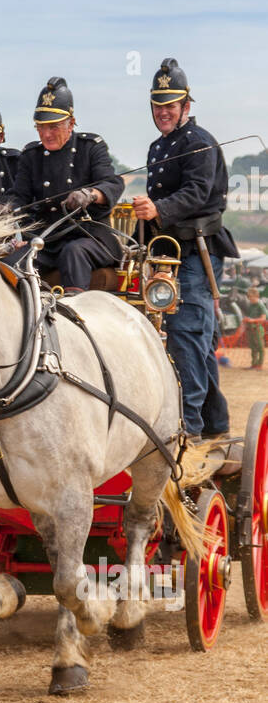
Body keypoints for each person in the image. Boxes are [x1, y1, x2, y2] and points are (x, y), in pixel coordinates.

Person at [131, 58, 238, 441]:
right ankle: (215, 424)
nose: (163, 112)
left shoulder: (200, 143)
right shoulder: (158, 147)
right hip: (168, 252)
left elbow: (196, 193)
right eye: (158, 106)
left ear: (186, 107)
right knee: (198, 340)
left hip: (198, 252)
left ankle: (189, 426)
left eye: (170, 106)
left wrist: (158, 208)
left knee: (188, 333)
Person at [9, 76, 124, 290]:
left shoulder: (90, 147)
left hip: (90, 238)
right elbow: (19, 197)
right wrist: (7, 215)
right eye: (41, 127)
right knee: (12, 262)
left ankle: (74, 317)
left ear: (71, 123)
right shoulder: (30, 155)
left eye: (53, 127)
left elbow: (113, 184)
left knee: (73, 252)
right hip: (47, 241)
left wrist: (90, 194)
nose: (46, 134)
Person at [242, 285, 267, 369]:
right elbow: (249, 315)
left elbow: (263, 318)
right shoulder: (250, 305)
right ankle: (254, 364)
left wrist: (252, 320)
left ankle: (260, 364)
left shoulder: (260, 305)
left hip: (257, 328)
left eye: (252, 297)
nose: (250, 299)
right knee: (253, 347)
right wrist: (246, 319)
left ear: (257, 296)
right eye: (249, 297)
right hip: (250, 329)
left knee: (260, 347)